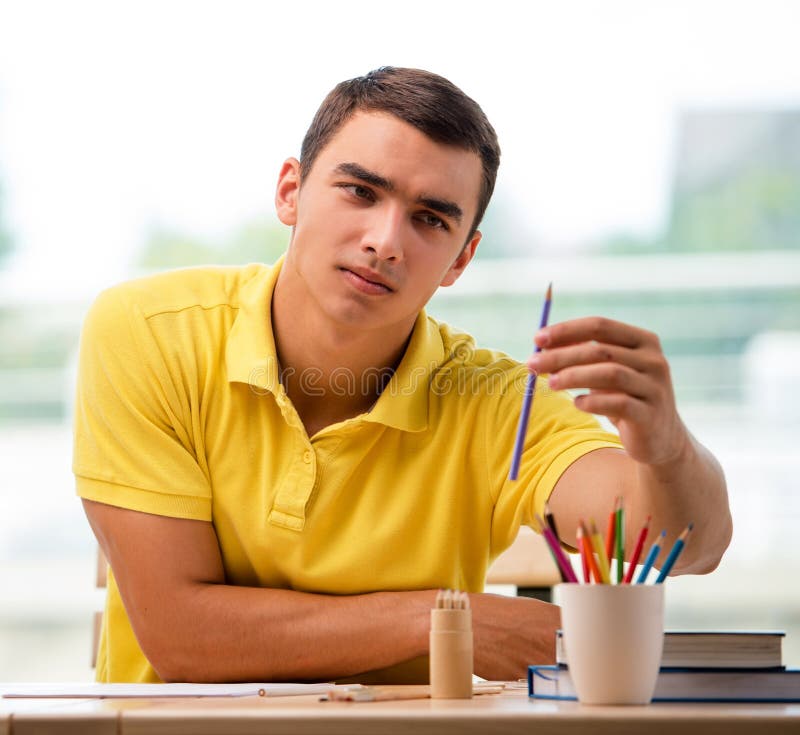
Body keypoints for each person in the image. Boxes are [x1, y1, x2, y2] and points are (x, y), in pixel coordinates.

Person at [74, 66, 732, 684]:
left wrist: (666, 445)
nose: (385, 241)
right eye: (360, 192)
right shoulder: (149, 331)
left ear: (461, 258)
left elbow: (686, 546)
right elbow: (184, 636)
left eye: (430, 219)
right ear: (290, 192)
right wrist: (450, 619)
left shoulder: (495, 401)